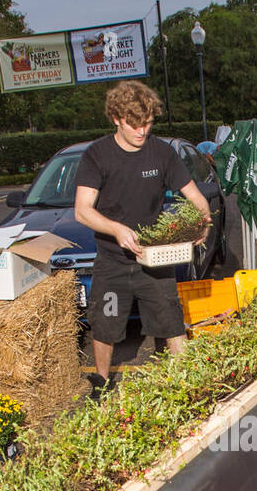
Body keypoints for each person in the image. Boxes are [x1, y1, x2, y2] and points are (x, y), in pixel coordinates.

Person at [74, 81, 211, 397]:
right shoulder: (97, 156)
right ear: (116, 119)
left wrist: (203, 218)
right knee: (105, 325)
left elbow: (194, 195)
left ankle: (188, 385)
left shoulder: (162, 153)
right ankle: (102, 385)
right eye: (134, 124)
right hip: (112, 261)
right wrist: (117, 229)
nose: (142, 131)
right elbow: (82, 211)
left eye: (147, 123)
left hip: (154, 260)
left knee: (171, 321)